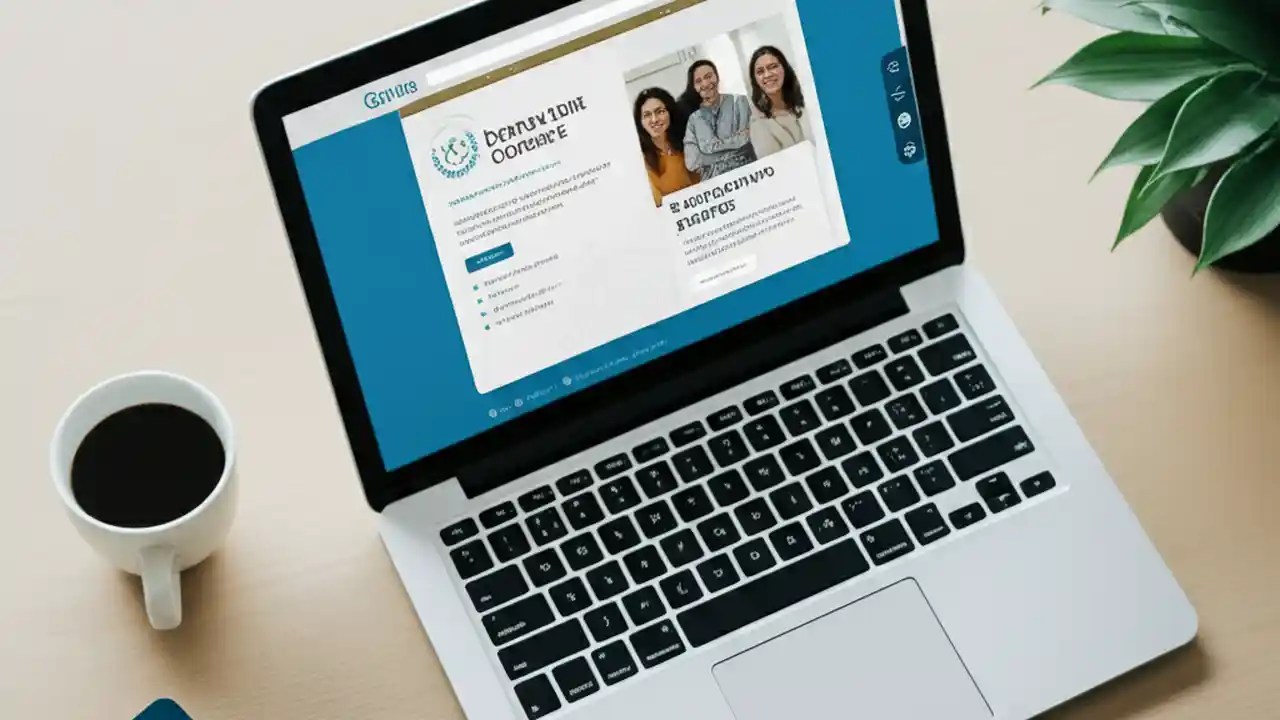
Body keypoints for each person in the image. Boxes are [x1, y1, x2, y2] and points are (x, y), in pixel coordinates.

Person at [680, 60, 756, 180]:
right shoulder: (694, 119)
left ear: (717, 77)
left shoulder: (739, 102)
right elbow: (691, 162)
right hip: (715, 186)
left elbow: (748, 140)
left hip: (747, 175)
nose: (705, 83)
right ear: (694, 87)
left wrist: (707, 150)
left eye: (708, 76)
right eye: (698, 81)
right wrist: (733, 144)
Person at [634, 88, 699, 206]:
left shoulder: (686, 144)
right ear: (640, 122)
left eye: (660, 111)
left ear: (670, 113)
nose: (654, 119)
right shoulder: (640, 160)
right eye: (647, 115)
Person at [748, 46, 812, 158]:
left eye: (772, 67)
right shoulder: (757, 122)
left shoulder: (806, 105)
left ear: (784, 69)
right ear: (755, 80)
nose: (767, 75)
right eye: (760, 71)